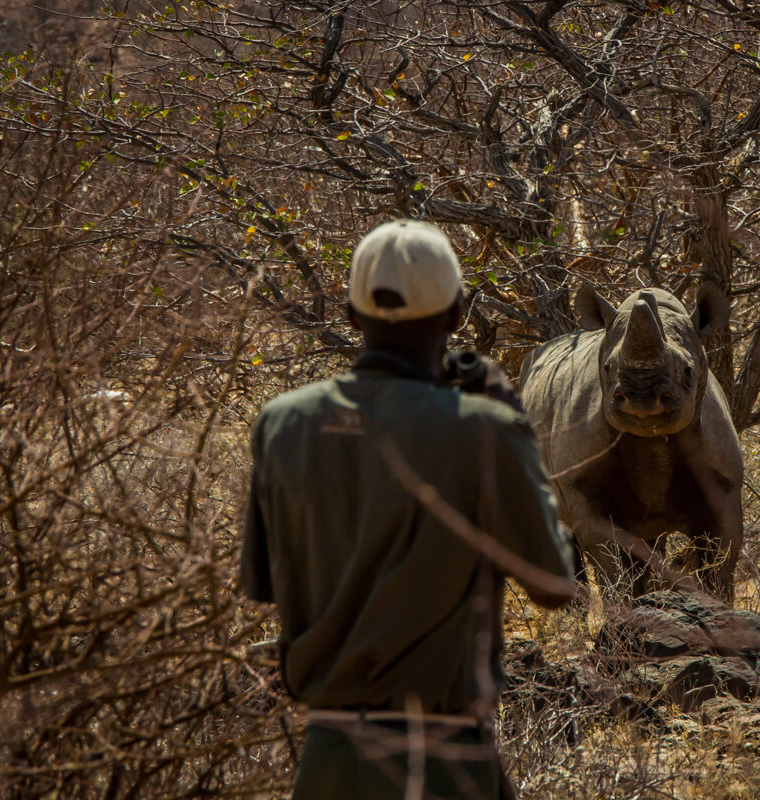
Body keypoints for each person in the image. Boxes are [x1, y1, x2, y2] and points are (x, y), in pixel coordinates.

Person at [240, 219, 577, 799]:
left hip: (326, 759)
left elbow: (264, 584)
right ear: (455, 314)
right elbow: (555, 584)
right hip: (443, 760)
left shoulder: (283, 423)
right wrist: (511, 427)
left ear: (350, 315)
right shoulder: (484, 431)